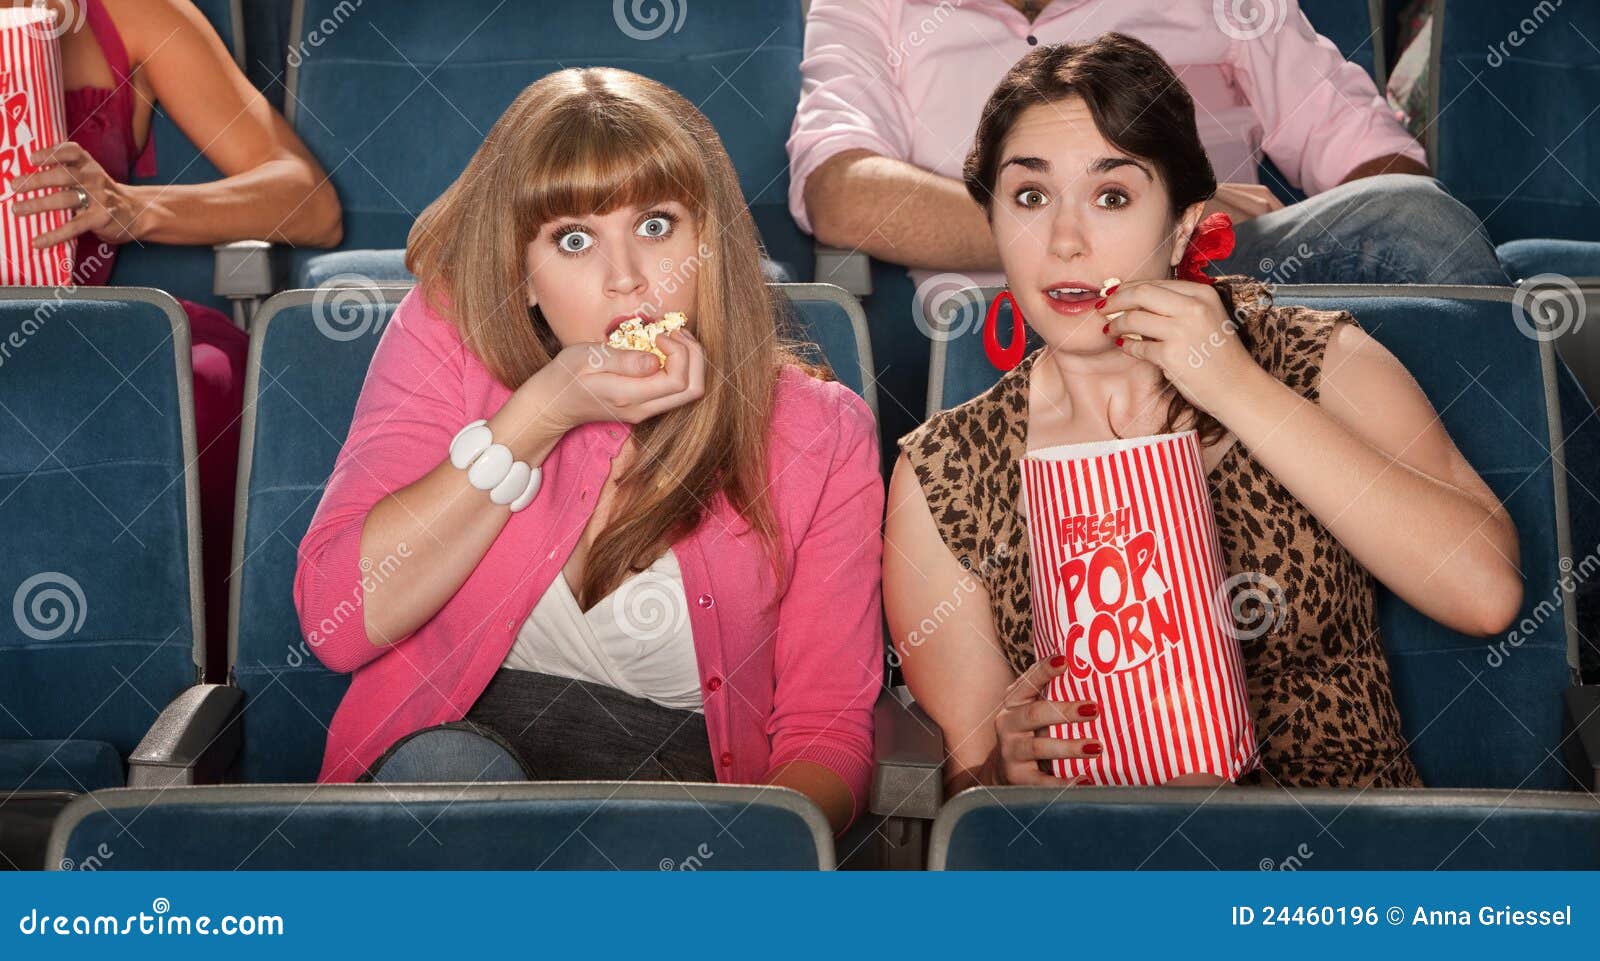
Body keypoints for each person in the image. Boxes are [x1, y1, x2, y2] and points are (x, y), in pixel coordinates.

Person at [883, 35, 1523, 793]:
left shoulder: (1314, 359)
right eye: (1029, 197)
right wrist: (1004, 768)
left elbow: (1486, 594)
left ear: (1184, 224)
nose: (1064, 240)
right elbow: (969, 788)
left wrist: (1232, 384)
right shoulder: (944, 473)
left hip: (1345, 865)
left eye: (1113, 196)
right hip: (1106, 882)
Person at [294, 67, 883, 835]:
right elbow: (340, 626)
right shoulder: (448, 338)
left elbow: (825, 732)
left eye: (657, 225)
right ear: (523, 272)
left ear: (711, 238)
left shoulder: (820, 431)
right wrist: (539, 415)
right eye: (574, 239)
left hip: (671, 834)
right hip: (448, 810)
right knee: (448, 778)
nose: (626, 279)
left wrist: (744, 858)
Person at [7, 0, 343, 668]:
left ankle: (203, 691)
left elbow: (311, 202)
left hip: (92, 338)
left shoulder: (134, 13)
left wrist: (137, 210)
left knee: (207, 392)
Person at [789, 0, 1508, 290]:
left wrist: (1181, 237)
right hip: (1011, 329)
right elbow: (844, 192)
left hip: (1221, 290)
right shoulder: (870, 4)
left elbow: (1373, 163)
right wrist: (1131, 220)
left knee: (1413, 222)